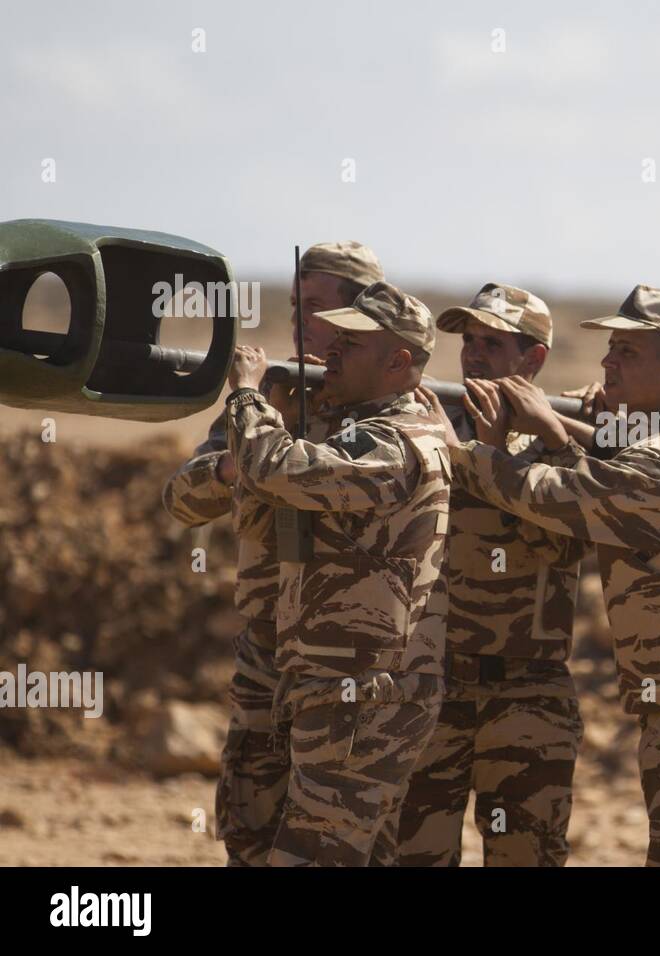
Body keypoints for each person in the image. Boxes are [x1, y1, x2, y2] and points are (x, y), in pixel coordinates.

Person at [434, 285, 660, 866]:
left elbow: (559, 493)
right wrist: (552, 428)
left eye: (625, 351)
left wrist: (464, 451)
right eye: (610, 349)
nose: (606, 363)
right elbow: (603, 460)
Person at [161, 240, 384, 865]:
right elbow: (181, 499)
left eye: (313, 307)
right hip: (266, 652)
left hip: (349, 666)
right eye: (293, 305)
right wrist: (240, 460)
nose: (296, 322)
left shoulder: (389, 409)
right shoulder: (266, 398)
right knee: (251, 830)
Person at [224, 281, 450, 866]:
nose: (332, 350)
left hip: (363, 698)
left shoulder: (397, 443)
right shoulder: (353, 431)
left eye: (352, 342)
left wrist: (248, 398)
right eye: (336, 338)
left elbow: (278, 467)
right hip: (336, 688)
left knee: (310, 855)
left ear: (399, 361)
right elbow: (258, 518)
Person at [397, 284, 584, 867]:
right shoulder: (428, 425)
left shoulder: (556, 447)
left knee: (525, 853)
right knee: (415, 854)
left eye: (492, 343)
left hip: (525, 692)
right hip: (434, 684)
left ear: (533, 360)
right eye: (468, 341)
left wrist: (485, 455)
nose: (472, 354)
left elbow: (559, 541)